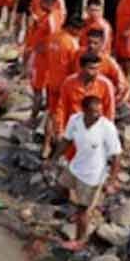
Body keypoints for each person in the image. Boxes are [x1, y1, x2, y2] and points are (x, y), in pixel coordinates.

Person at [52, 96, 122, 251]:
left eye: (99, 112)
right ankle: (79, 211)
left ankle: (79, 240)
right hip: (75, 166)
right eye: (93, 112)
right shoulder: (75, 120)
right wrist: (54, 158)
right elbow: (66, 140)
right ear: (83, 110)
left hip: (92, 175)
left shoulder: (107, 128)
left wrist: (111, 181)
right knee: (60, 186)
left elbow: (116, 156)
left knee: (83, 210)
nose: (97, 115)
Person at [52, 53, 118, 159]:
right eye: (91, 68)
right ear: (81, 68)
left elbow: (110, 112)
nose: (95, 72)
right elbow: (61, 108)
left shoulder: (105, 84)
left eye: (97, 68)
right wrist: (59, 131)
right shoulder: (69, 83)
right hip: (74, 133)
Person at [42, 16, 84, 158]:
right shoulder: (72, 44)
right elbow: (75, 67)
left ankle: (46, 146)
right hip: (65, 86)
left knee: (51, 113)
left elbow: (47, 57)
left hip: (51, 82)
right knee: (64, 117)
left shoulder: (53, 37)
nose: (80, 34)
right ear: (72, 28)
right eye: (79, 31)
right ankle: (61, 150)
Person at [29, 0, 63, 125]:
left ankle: (34, 118)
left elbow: (54, 37)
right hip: (42, 58)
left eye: (43, 2)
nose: (41, 5)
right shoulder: (49, 16)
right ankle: (45, 115)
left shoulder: (51, 18)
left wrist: (41, 50)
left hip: (43, 60)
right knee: (44, 88)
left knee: (38, 89)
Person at [75, 28, 129, 102]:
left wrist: (113, 100)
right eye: (89, 42)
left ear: (102, 44)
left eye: (95, 43)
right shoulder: (78, 54)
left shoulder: (109, 61)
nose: (91, 46)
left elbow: (123, 84)